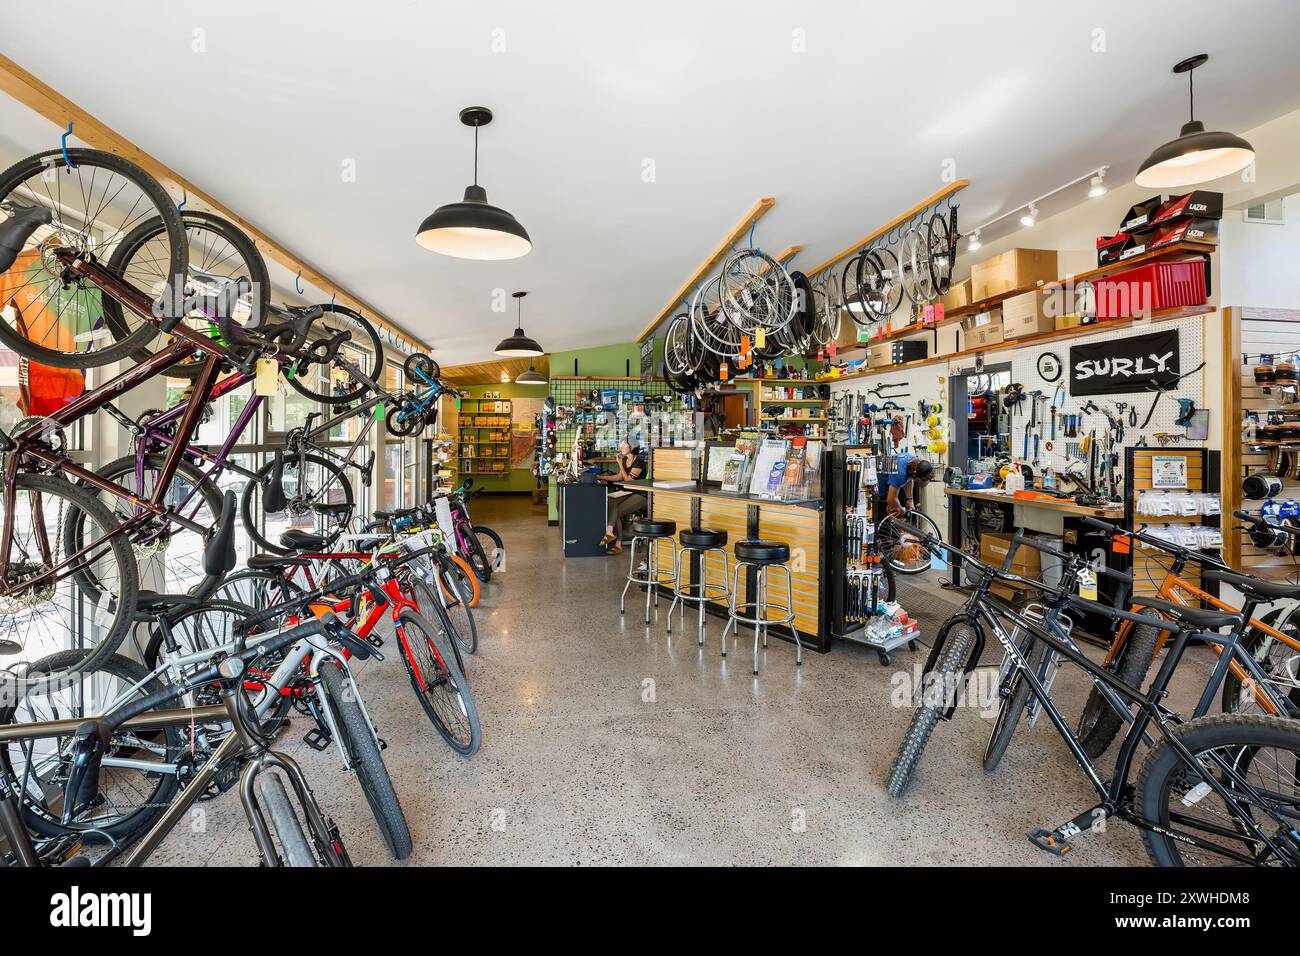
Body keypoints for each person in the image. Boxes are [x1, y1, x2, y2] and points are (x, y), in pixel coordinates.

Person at [598, 439, 648, 554]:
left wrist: (620, 464)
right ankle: (611, 534)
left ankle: (617, 542)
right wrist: (601, 477)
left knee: (617, 511)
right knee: (611, 502)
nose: (621, 447)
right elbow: (619, 477)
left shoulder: (639, 462)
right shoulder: (625, 459)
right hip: (628, 492)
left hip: (640, 494)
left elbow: (628, 480)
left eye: (624, 445)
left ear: (632, 447)